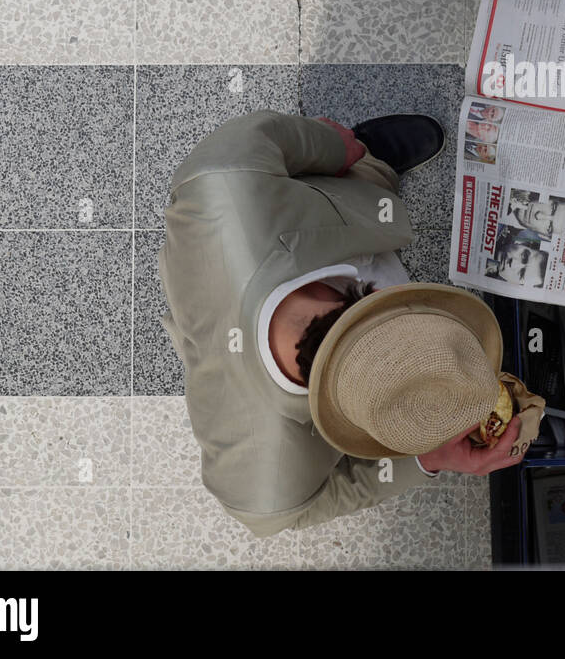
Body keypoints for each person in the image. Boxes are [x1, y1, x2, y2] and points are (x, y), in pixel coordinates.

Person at [158, 110, 522, 536]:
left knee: (357, 169)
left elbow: (273, 137)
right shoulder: (264, 485)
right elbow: (297, 511)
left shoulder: (224, 181)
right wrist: (429, 459)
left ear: (370, 297)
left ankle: (371, 169)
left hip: (311, 212)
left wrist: (335, 148)